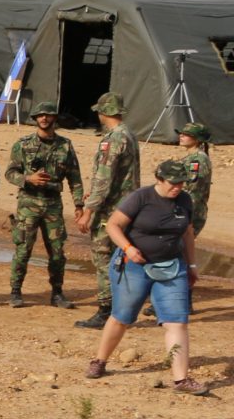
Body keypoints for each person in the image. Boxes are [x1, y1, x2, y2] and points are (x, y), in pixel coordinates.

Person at [85, 161, 204, 394]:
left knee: (177, 321)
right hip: (134, 266)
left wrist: (191, 264)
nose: (177, 187)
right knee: (122, 317)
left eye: (181, 183)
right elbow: (113, 225)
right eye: (173, 183)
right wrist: (128, 248)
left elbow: (188, 232)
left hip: (171, 266)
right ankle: (99, 361)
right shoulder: (140, 197)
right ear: (159, 179)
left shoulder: (185, 200)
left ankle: (181, 380)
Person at [4, 102, 84, 308]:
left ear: (54, 118)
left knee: (57, 252)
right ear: (35, 118)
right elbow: (10, 173)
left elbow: (74, 177)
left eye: (48, 115)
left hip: (52, 205)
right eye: (40, 116)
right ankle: (15, 292)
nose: (44, 119)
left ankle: (57, 293)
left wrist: (79, 204)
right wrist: (28, 179)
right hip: (28, 203)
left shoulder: (65, 145)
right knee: (23, 249)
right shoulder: (23, 144)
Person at [76, 92, 141, 330]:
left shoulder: (112, 139)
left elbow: (104, 178)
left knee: (103, 257)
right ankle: (123, 308)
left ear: (104, 112)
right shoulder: (129, 135)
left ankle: (106, 309)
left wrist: (89, 211)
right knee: (122, 258)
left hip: (109, 211)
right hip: (128, 207)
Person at [175, 123, 213, 234]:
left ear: (197, 140)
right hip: (188, 209)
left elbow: (192, 187)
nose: (181, 136)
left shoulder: (197, 160)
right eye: (181, 133)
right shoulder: (194, 157)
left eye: (186, 135)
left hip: (190, 210)